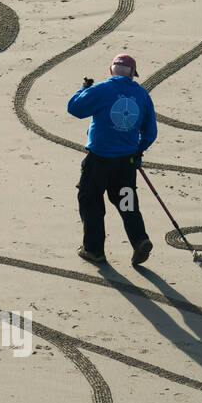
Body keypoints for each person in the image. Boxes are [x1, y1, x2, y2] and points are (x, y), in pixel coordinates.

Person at [66, 53, 157, 265]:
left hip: (99, 160)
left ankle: (94, 249)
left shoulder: (102, 90)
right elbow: (150, 132)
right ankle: (140, 239)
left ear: (111, 71)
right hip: (126, 163)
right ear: (132, 75)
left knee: (91, 201)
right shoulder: (143, 96)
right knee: (127, 202)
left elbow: (75, 108)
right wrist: (138, 151)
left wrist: (84, 89)